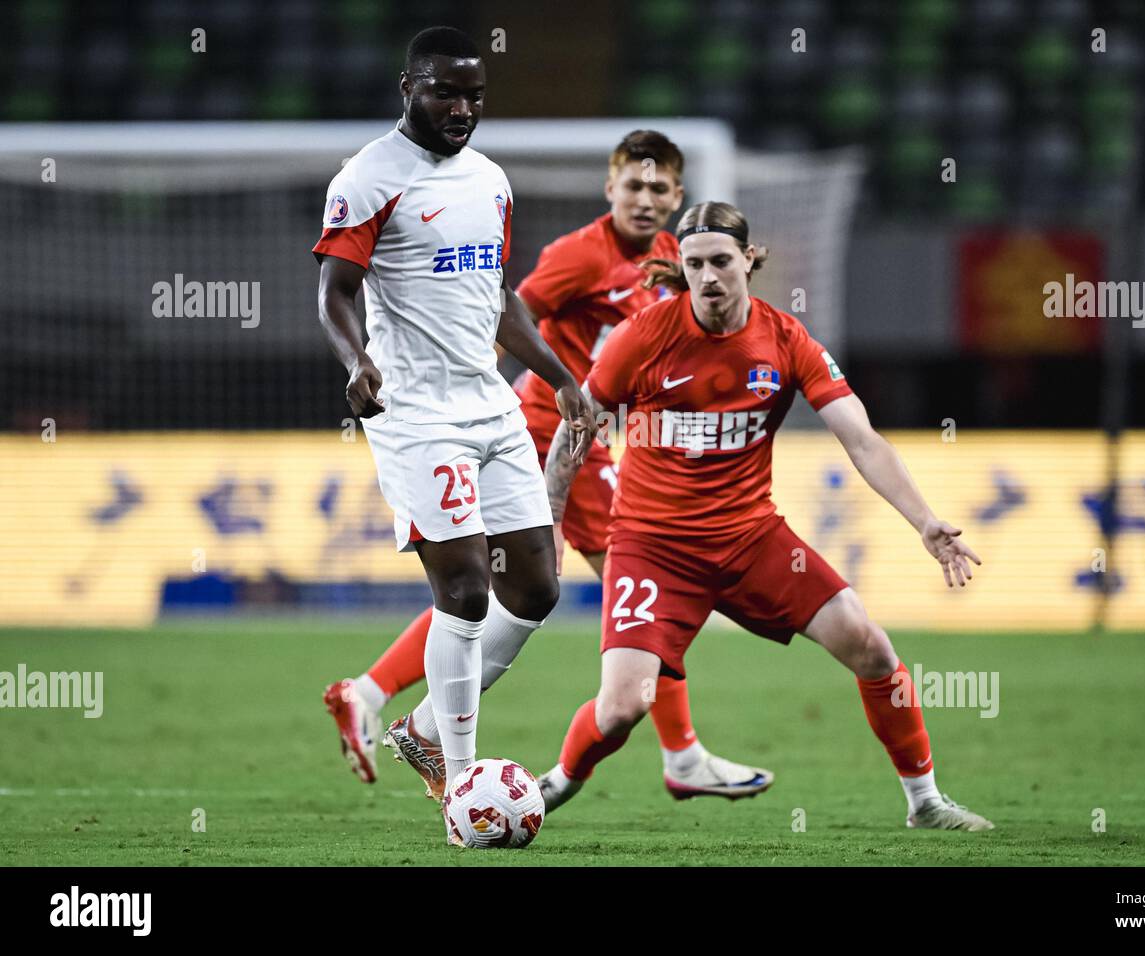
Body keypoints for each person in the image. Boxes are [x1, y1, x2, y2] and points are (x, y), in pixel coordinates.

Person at [324, 130, 773, 802]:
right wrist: (469, 404)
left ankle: (372, 693)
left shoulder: (672, 259)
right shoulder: (578, 255)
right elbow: (505, 308)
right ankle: (680, 754)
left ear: (678, 196)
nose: (645, 200)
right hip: (543, 431)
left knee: (533, 590)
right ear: (610, 188)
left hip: (584, 435)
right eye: (633, 186)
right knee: (638, 582)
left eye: (659, 190)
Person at [536, 201, 995, 831]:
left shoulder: (785, 340)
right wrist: (549, 519)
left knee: (871, 647)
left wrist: (923, 520)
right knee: (622, 708)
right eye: (694, 264)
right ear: (681, 267)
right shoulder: (643, 337)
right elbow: (579, 425)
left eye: (721, 261)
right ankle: (552, 787)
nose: (708, 277)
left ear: (749, 260)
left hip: (752, 541)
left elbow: (860, 439)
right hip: (652, 547)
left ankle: (926, 803)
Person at [312, 26, 594, 840]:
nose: (462, 109)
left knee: (535, 587)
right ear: (409, 89)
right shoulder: (368, 179)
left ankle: (425, 732)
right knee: (466, 590)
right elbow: (333, 291)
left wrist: (562, 377)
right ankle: (463, 783)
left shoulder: (491, 181)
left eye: (474, 96)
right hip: (416, 413)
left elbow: (499, 299)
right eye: (445, 93)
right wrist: (356, 361)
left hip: (491, 404)